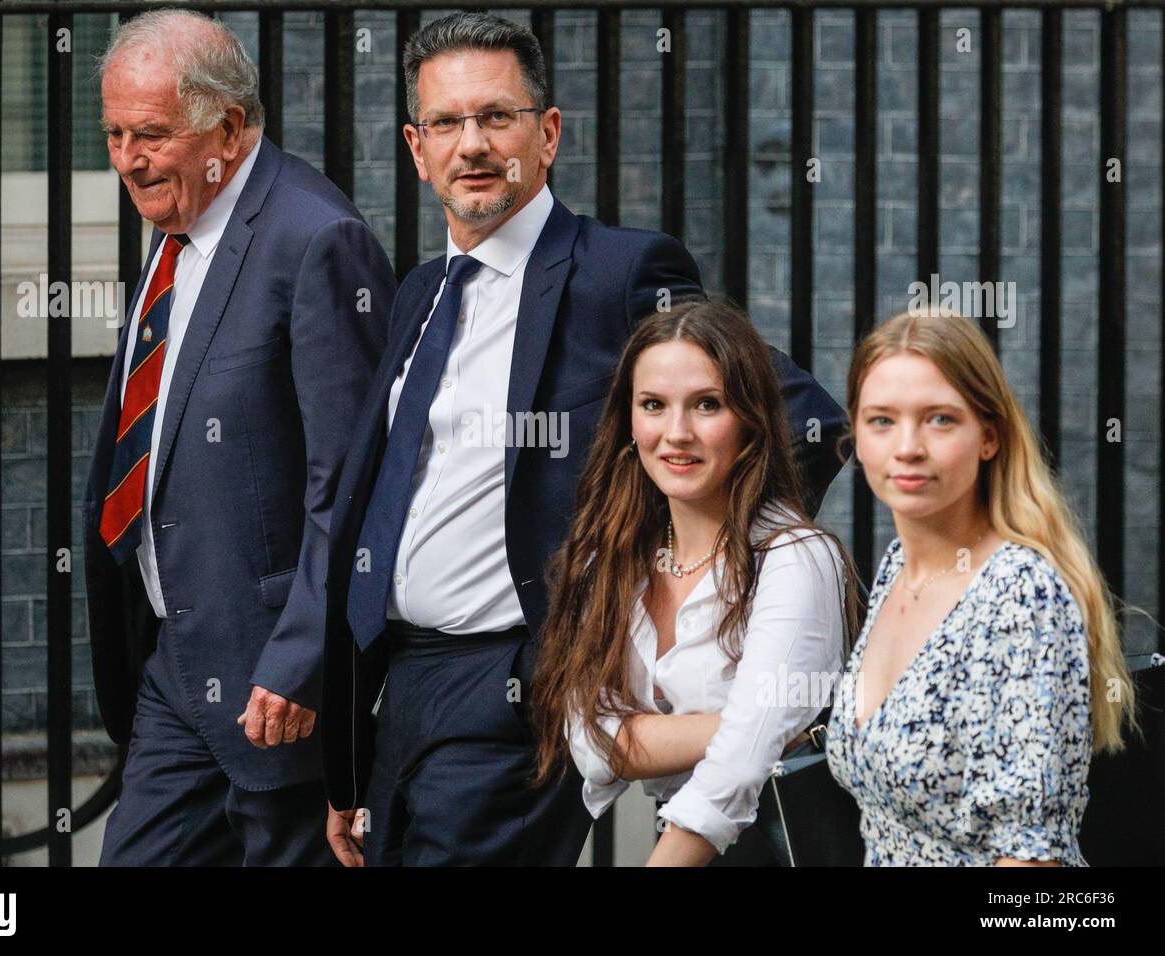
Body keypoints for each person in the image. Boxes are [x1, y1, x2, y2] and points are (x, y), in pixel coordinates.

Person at [320, 12, 849, 867]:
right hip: (402, 692)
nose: (474, 144)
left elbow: (803, 415)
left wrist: (698, 566)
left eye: (498, 117)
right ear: (418, 151)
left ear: (549, 132)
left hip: (518, 682)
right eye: (448, 124)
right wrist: (351, 758)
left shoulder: (619, 273)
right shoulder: (421, 293)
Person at [83, 10, 395, 865]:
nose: (127, 158)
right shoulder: (179, 222)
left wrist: (303, 660)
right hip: (174, 663)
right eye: (112, 133)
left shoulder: (316, 238)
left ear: (226, 126)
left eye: (149, 134)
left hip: (273, 683)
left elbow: (353, 482)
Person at [532, 300, 856, 867]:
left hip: (772, 845)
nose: (676, 433)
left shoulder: (795, 557)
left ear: (751, 420)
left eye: (707, 405)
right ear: (628, 422)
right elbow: (591, 744)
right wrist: (753, 725)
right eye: (653, 405)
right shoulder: (604, 562)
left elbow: (740, 770)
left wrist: (749, 735)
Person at [826, 309, 1140, 866]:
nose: (908, 447)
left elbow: (1030, 860)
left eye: (940, 419)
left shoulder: (1022, 594)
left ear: (989, 437)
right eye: (881, 421)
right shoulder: (899, 566)